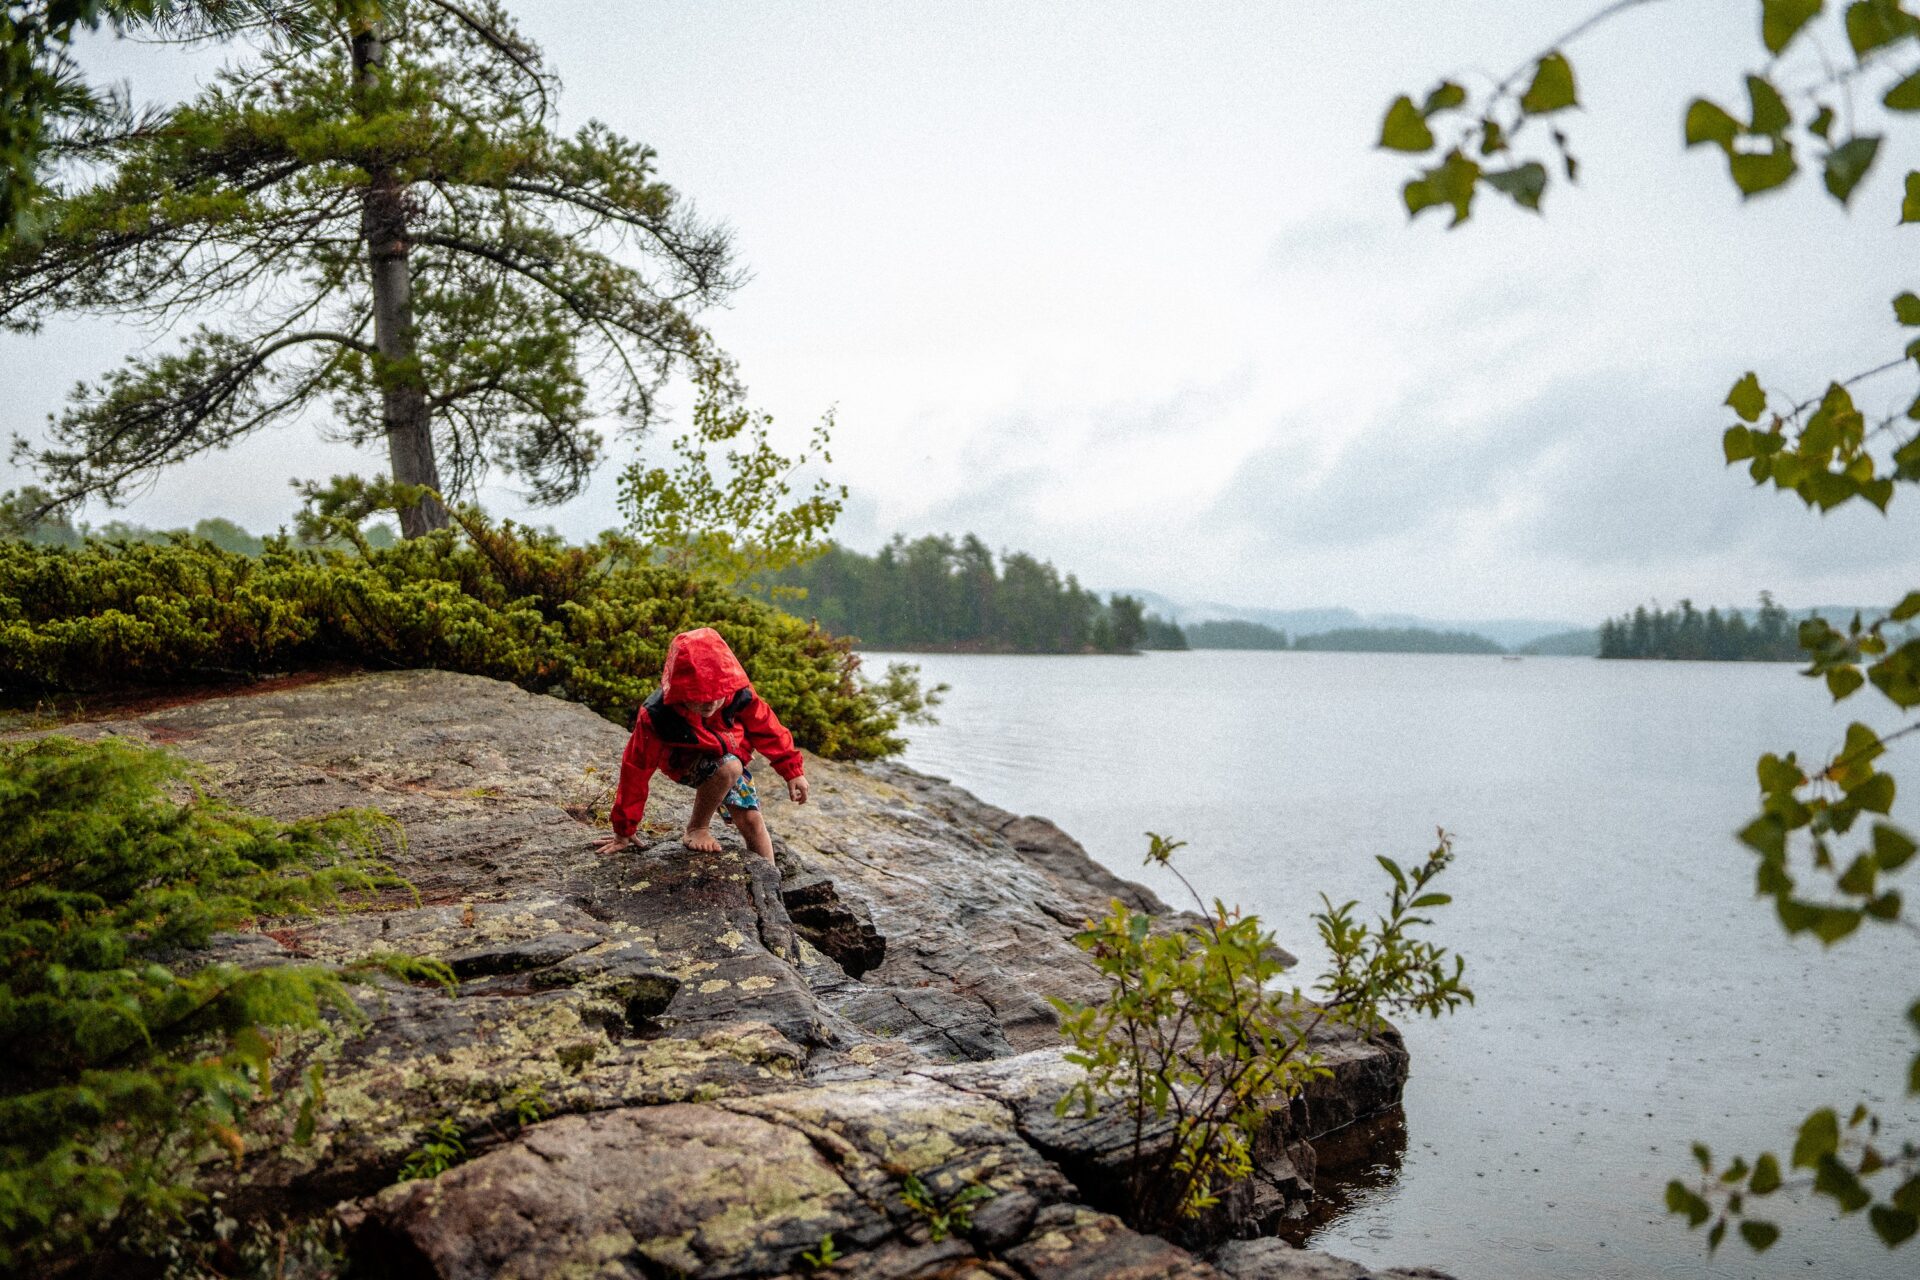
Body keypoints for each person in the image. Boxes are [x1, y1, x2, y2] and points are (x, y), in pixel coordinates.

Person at [593, 627, 809, 860]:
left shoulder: (737, 693)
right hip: (685, 761)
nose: (710, 704)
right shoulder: (658, 715)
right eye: (699, 696)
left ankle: (770, 883)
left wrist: (792, 771)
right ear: (680, 689)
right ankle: (696, 829)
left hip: (728, 753)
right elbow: (635, 770)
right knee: (729, 767)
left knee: (752, 821)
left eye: (717, 694)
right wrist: (624, 830)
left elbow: (767, 728)